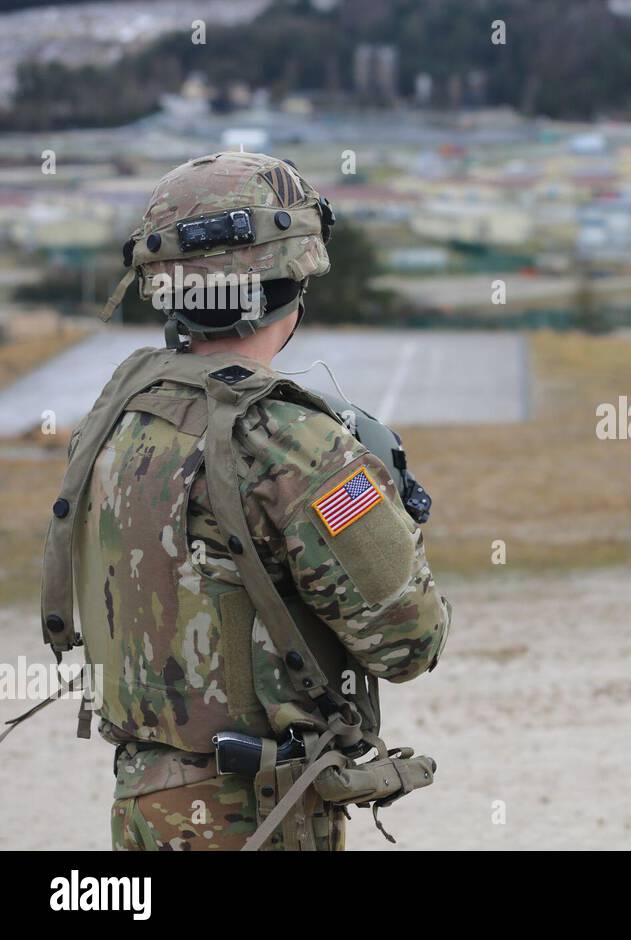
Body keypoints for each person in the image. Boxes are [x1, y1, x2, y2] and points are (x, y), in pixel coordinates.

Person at [38, 151, 451, 850]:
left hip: (143, 804)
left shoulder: (117, 414)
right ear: (292, 280)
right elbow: (410, 641)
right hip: (255, 815)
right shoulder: (292, 443)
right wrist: (396, 516)